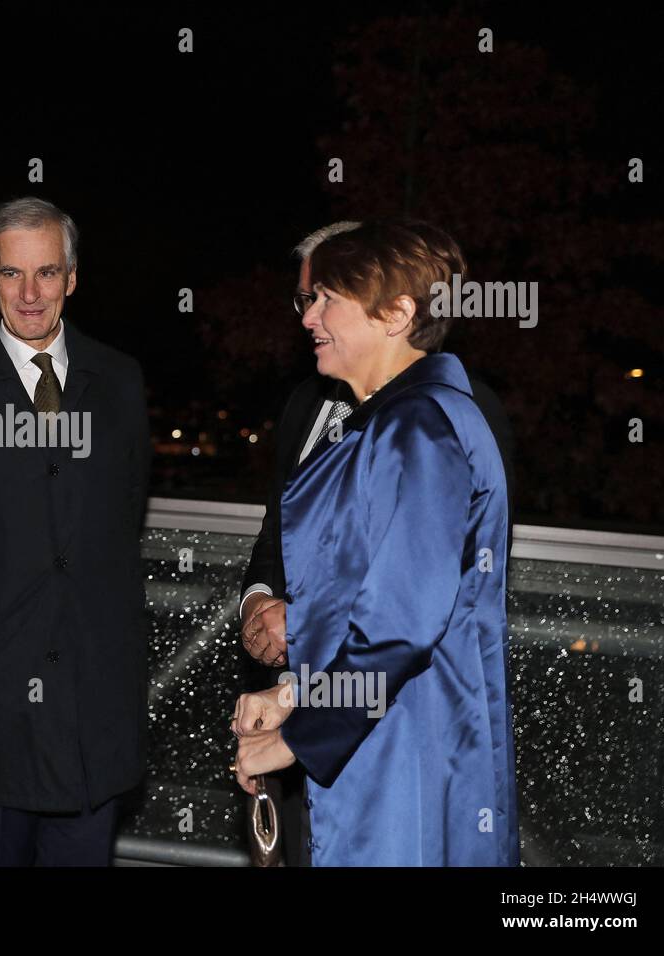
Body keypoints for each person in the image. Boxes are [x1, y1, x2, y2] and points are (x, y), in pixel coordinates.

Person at [230, 219, 520, 866]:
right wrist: (289, 693)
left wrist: (298, 739)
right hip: (391, 744)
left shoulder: (419, 428)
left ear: (397, 313)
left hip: (405, 763)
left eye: (330, 297)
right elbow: (364, 603)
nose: (310, 317)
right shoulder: (404, 418)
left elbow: (402, 625)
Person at [0, 197, 151, 866]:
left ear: (72, 277)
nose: (29, 293)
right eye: (11, 274)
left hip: (94, 699)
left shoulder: (121, 381)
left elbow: (124, 514)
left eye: (47, 272)